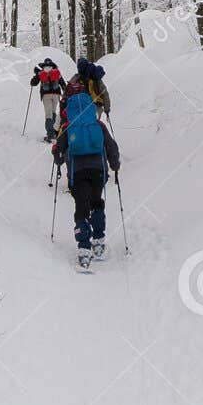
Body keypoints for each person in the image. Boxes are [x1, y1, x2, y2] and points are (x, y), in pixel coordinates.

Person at [53, 72, 120, 270]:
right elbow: (111, 147)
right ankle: (98, 240)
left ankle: (84, 248)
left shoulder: (68, 125)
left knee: (81, 206)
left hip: (77, 172)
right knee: (97, 201)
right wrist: (115, 165)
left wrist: (58, 160)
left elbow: (58, 150)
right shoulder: (98, 124)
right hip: (98, 170)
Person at [30, 58, 65, 141]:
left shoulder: (41, 72)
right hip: (56, 94)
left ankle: (50, 135)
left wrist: (33, 80)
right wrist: (65, 90)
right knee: (53, 112)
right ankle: (56, 132)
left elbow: (34, 83)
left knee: (48, 114)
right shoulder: (55, 71)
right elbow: (62, 82)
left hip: (46, 95)